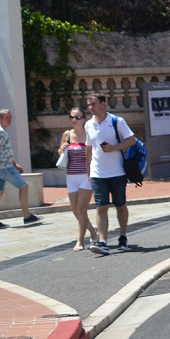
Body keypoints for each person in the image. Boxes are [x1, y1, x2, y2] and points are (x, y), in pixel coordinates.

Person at [84, 94, 138, 255]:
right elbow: (88, 149)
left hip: (117, 172)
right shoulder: (88, 125)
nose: (91, 107)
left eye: (93, 104)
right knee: (101, 206)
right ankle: (103, 242)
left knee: (120, 205)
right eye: (88, 104)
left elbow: (131, 140)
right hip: (97, 173)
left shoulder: (116, 121)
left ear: (103, 104)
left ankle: (122, 235)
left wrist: (114, 148)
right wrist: (88, 171)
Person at [0, 108, 38, 229]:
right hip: (4, 168)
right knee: (23, 186)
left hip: (2, 166)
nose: (10, 120)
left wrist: (14, 164)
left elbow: (3, 151)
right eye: (7, 118)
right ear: (0, 119)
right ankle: (27, 215)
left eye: (10, 118)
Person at [58, 107, 93, 250]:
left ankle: (80, 241)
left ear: (84, 119)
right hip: (71, 176)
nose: (74, 120)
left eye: (77, 117)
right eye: (71, 117)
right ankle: (92, 230)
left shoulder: (89, 134)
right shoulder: (67, 134)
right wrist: (62, 148)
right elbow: (60, 152)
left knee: (81, 208)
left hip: (86, 175)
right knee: (75, 210)